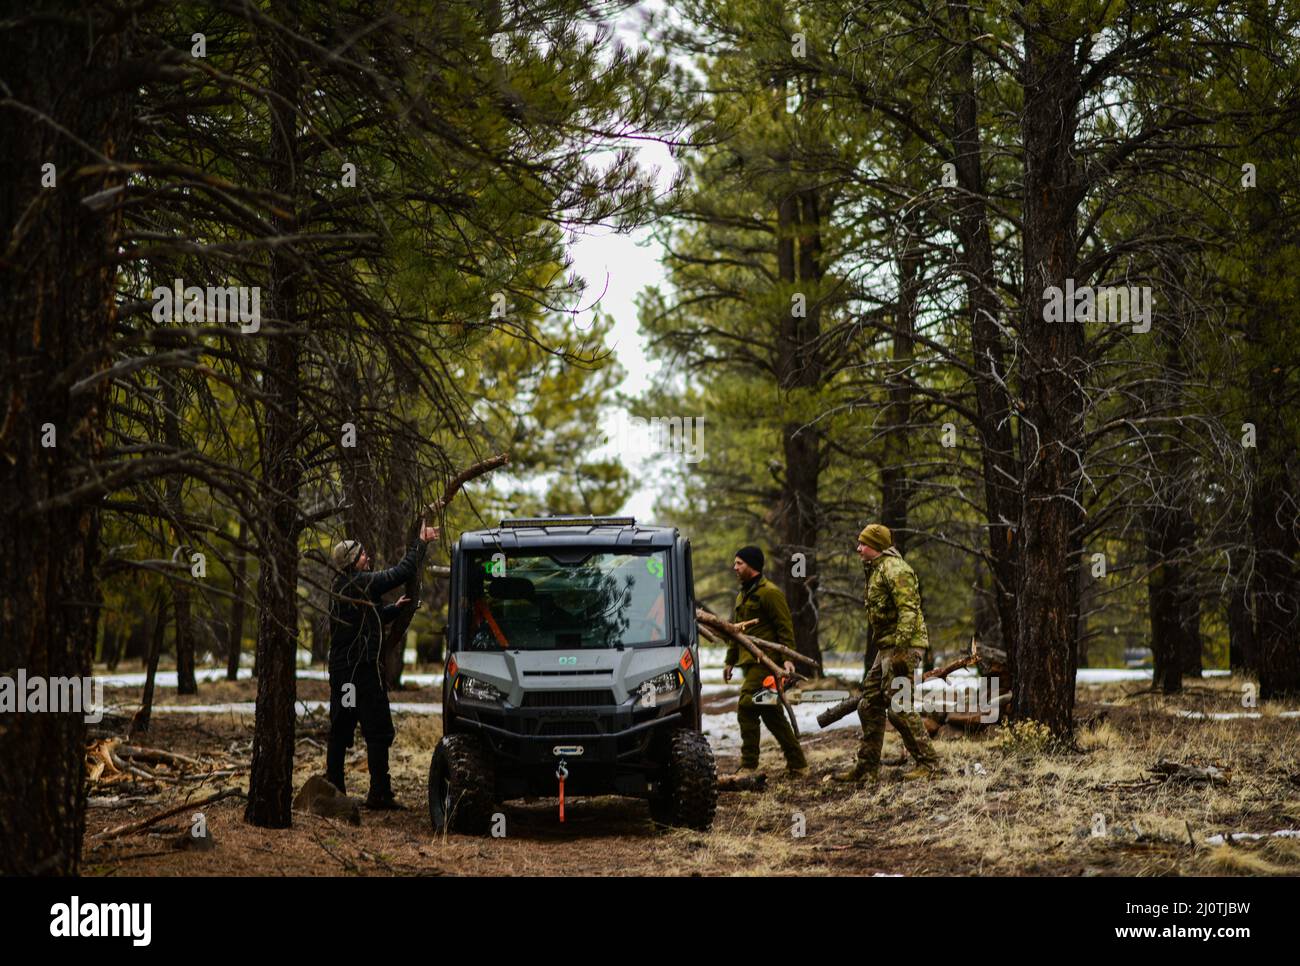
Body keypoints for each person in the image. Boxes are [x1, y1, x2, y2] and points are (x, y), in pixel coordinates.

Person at [326, 518, 439, 808]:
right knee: (378, 730)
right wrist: (421, 543)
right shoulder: (361, 582)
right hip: (362, 672)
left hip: (344, 673)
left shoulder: (343, 585)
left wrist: (391, 610)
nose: (368, 557)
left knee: (341, 729)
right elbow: (401, 572)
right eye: (363, 554)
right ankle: (379, 794)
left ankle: (334, 789)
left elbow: (363, 618)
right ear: (353, 561)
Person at [834, 523, 943, 784]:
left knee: (899, 707)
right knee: (869, 703)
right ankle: (867, 768)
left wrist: (902, 651)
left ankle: (930, 765)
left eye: (863, 544)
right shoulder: (877, 569)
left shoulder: (896, 570)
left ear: (877, 546)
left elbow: (909, 610)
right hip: (887, 647)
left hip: (901, 646)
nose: (858, 548)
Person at [724, 545, 808, 776]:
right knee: (771, 714)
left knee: (746, 706)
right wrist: (730, 661)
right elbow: (735, 632)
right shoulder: (742, 595)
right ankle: (799, 764)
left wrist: (788, 659)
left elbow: (784, 627)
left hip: (766, 663)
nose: (735, 567)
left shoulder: (770, 593)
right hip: (749, 662)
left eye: (739, 563)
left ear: (751, 565)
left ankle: (749, 765)